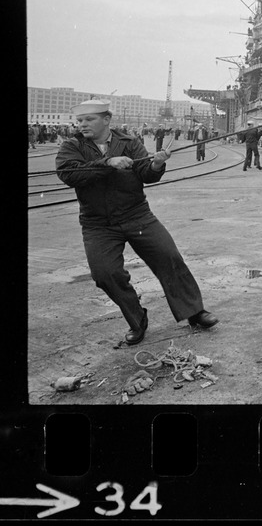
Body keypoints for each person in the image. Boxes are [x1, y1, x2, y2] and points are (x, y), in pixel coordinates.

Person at [55, 99, 218, 346]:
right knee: (104, 274)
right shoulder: (73, 145)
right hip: (98, 224)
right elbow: (69, 174)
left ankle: (194, 312)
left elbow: (146, 175)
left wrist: (156, 164)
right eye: (80, 120)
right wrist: (108, 162)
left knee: (169, 257)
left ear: (106, 119)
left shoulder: (130, 143)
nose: (83, 124)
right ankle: (137, 319)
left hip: (137, 215)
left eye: (89, 119)